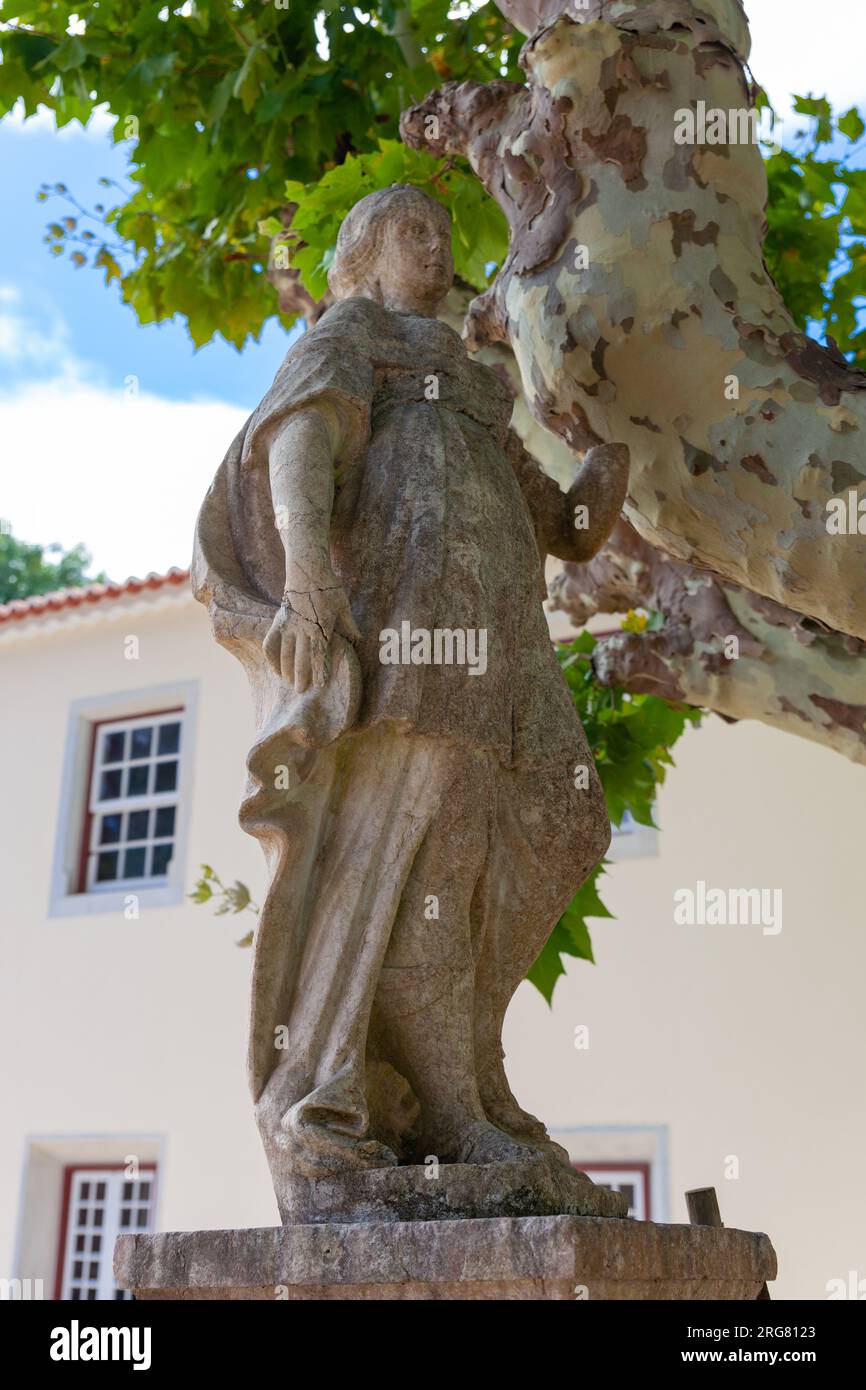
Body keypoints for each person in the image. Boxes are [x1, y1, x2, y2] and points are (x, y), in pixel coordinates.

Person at [192, 184, 629, 1212]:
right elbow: (298, 436)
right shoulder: (352, 332)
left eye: (441, 233)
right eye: (412, 232)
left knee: (564, 823)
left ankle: (460, 1069)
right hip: (411, 627)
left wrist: (609, 462)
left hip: (505, 644)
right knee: (428, 856)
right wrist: (306, 575)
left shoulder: (469, 379)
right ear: (361, 252)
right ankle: (438, 1106)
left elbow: (561, 526)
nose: (435, 247)